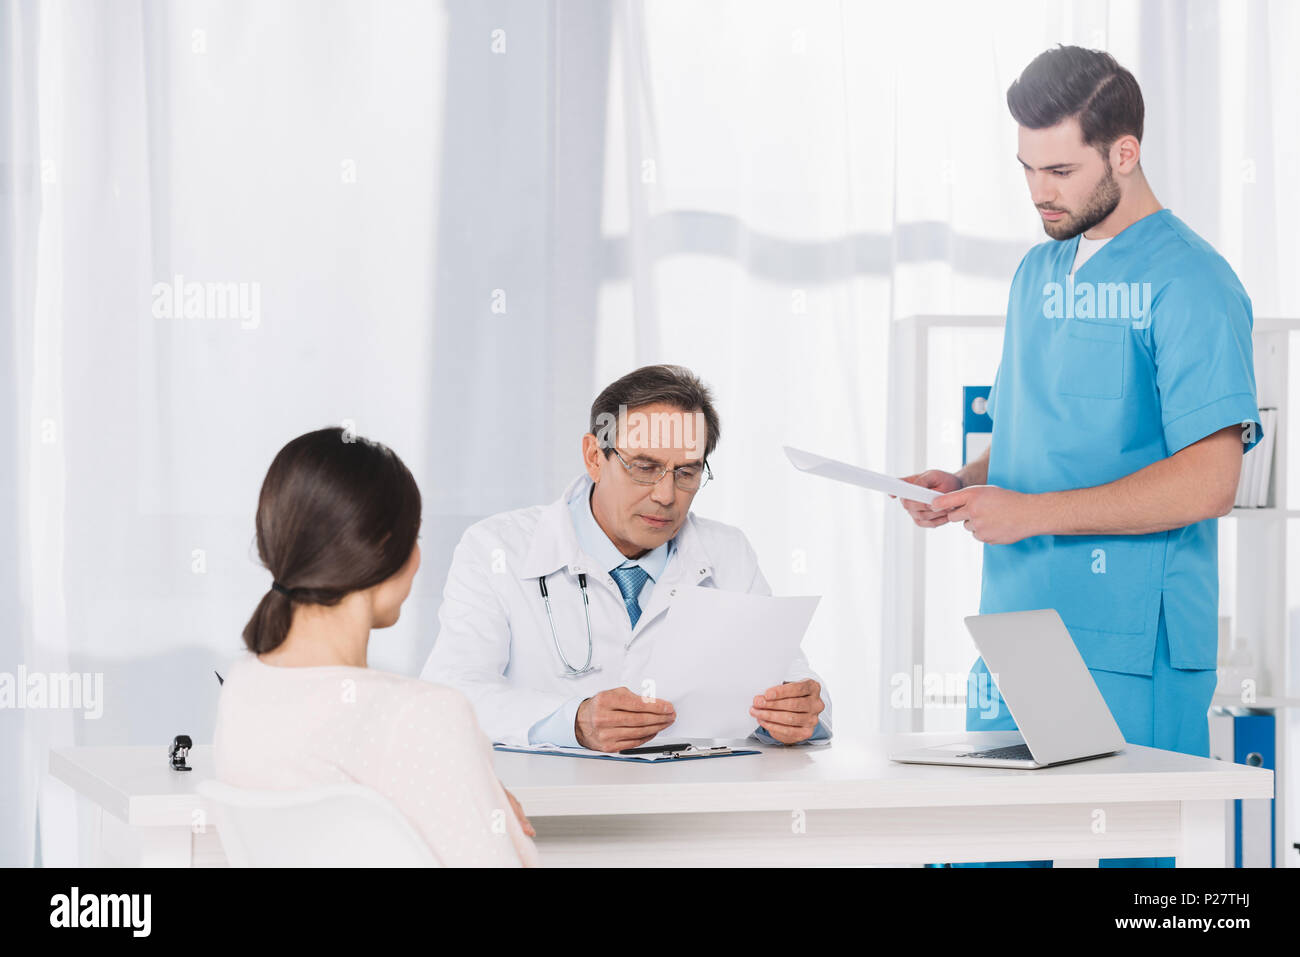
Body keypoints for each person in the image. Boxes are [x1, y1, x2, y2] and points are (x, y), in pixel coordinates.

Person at [899, 46, 1260, 867]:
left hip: (1130, 641)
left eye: (1059, 169)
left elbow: (1211, 478)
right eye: (1026, 168)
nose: (1038, 192)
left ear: (1124, 153)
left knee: (1133, 872)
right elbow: (1040, 422)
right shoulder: (1038, 271)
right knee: (991, 851)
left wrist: (1027, 513)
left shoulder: (1194, 284)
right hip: (1021, 620)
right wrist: (966, 481)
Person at [422, 364, 830, 751]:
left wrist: (798, 713)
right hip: (552, 809)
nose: (665, 495)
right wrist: (573, 721)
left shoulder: (728, 551)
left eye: (686, 473)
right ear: (594, 457)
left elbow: (791, 676)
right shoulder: (497, 548)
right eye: (644, 467)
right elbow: (452, 692)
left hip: (693, 804)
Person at [214, 427, 539, 867]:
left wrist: (467, 780)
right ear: (383, 545)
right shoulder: (425, 715)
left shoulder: (244, 687)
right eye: (415, 535)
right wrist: (471, 781)